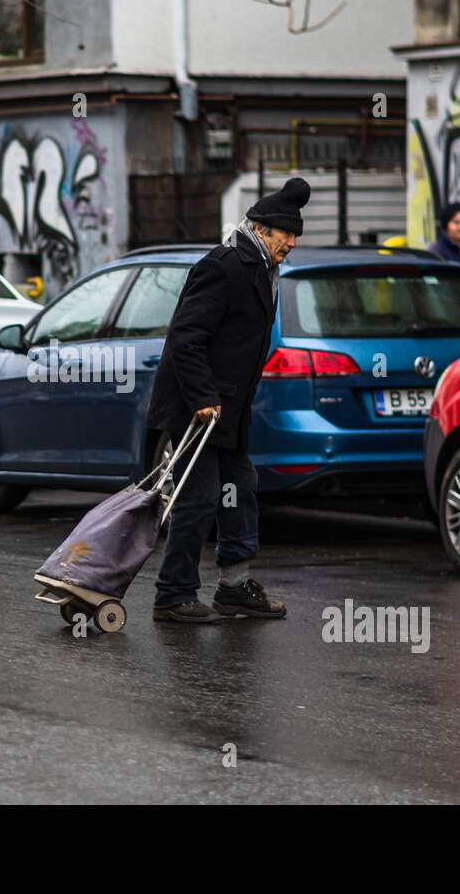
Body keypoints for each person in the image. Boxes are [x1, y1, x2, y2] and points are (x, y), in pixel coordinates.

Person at [144, 177, 311, 623]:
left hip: (230, 411)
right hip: (196, 408)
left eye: (295, 234)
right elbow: (185, 336)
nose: (292, 243)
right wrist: (202, 395)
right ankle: (172, 594)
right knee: (199, 499)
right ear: (261, 229)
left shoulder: (262, 269)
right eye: (285, 234)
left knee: (241, 491)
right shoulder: (225, 265)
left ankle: (234, 588)